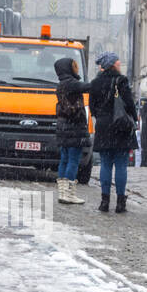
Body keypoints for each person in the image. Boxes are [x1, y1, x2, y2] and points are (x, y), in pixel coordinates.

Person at [89, 52, 138, 213]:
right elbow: (130, 104)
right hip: (121, 127)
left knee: (105, 164)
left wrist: (103, 117)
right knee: (121, 165)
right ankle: (120, 203)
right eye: (118, 61)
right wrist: (133, 118)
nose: (119, 64)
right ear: (112, 64)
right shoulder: (121, 81)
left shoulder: (95, 83)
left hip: (103, 127)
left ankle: (104, 201)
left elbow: (92, 107)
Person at [54, 56, 91, 204]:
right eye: (74, 66)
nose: (76, 68)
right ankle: (69, 193)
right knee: (73, 160)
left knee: (64, 160)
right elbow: (88, 87)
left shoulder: (61, 84)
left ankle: (63, 192)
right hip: (74, 128)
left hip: (63, 127)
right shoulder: (71, 83)